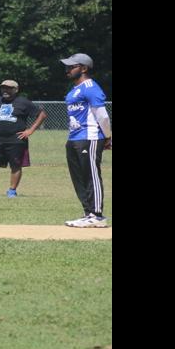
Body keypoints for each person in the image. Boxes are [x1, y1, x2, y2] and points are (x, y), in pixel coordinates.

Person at [59, 53, 111, 227]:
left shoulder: (91, 87)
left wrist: (108, 136)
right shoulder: (75, 90)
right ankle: (88, 213)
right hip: (74, 138)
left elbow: (102, 116)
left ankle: (97, 215)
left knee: (91, 175)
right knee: (79, 177)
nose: (67, 69)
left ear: (84, 68)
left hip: (90, 137)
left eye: (71, 66)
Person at [0, 80, 45, 198]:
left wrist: (30, 130)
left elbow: (42, 114)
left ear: (16, 89)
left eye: (8, 88)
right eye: (3, 88)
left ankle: (12, 190)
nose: (5, 90)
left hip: (17, 140)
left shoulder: (24, 102)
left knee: (16, 165)